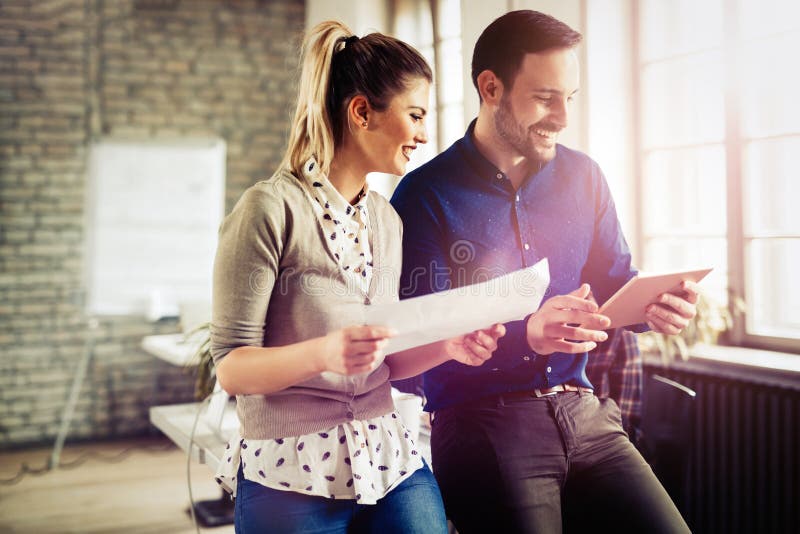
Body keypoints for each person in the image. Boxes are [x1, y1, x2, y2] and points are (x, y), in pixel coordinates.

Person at [391, 10, 698, 534]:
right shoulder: (424, 196)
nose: (562, 116)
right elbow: (411, 355)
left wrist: (655, 307)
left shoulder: (585, 177)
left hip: (587, 414)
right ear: (491, 87)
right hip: (481, 421)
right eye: (545, 98)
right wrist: (525, 335)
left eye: (569, 98)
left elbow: (615, 283)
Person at [209, 21, 505, 533]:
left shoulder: (386, 220)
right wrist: (323, 354)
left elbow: (385, 358)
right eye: (415, 115)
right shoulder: (268, 209)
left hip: (385, 455)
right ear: (362, 112)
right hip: (289, 467)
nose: (423, 134)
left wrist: (449, 346)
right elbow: (232, 368)